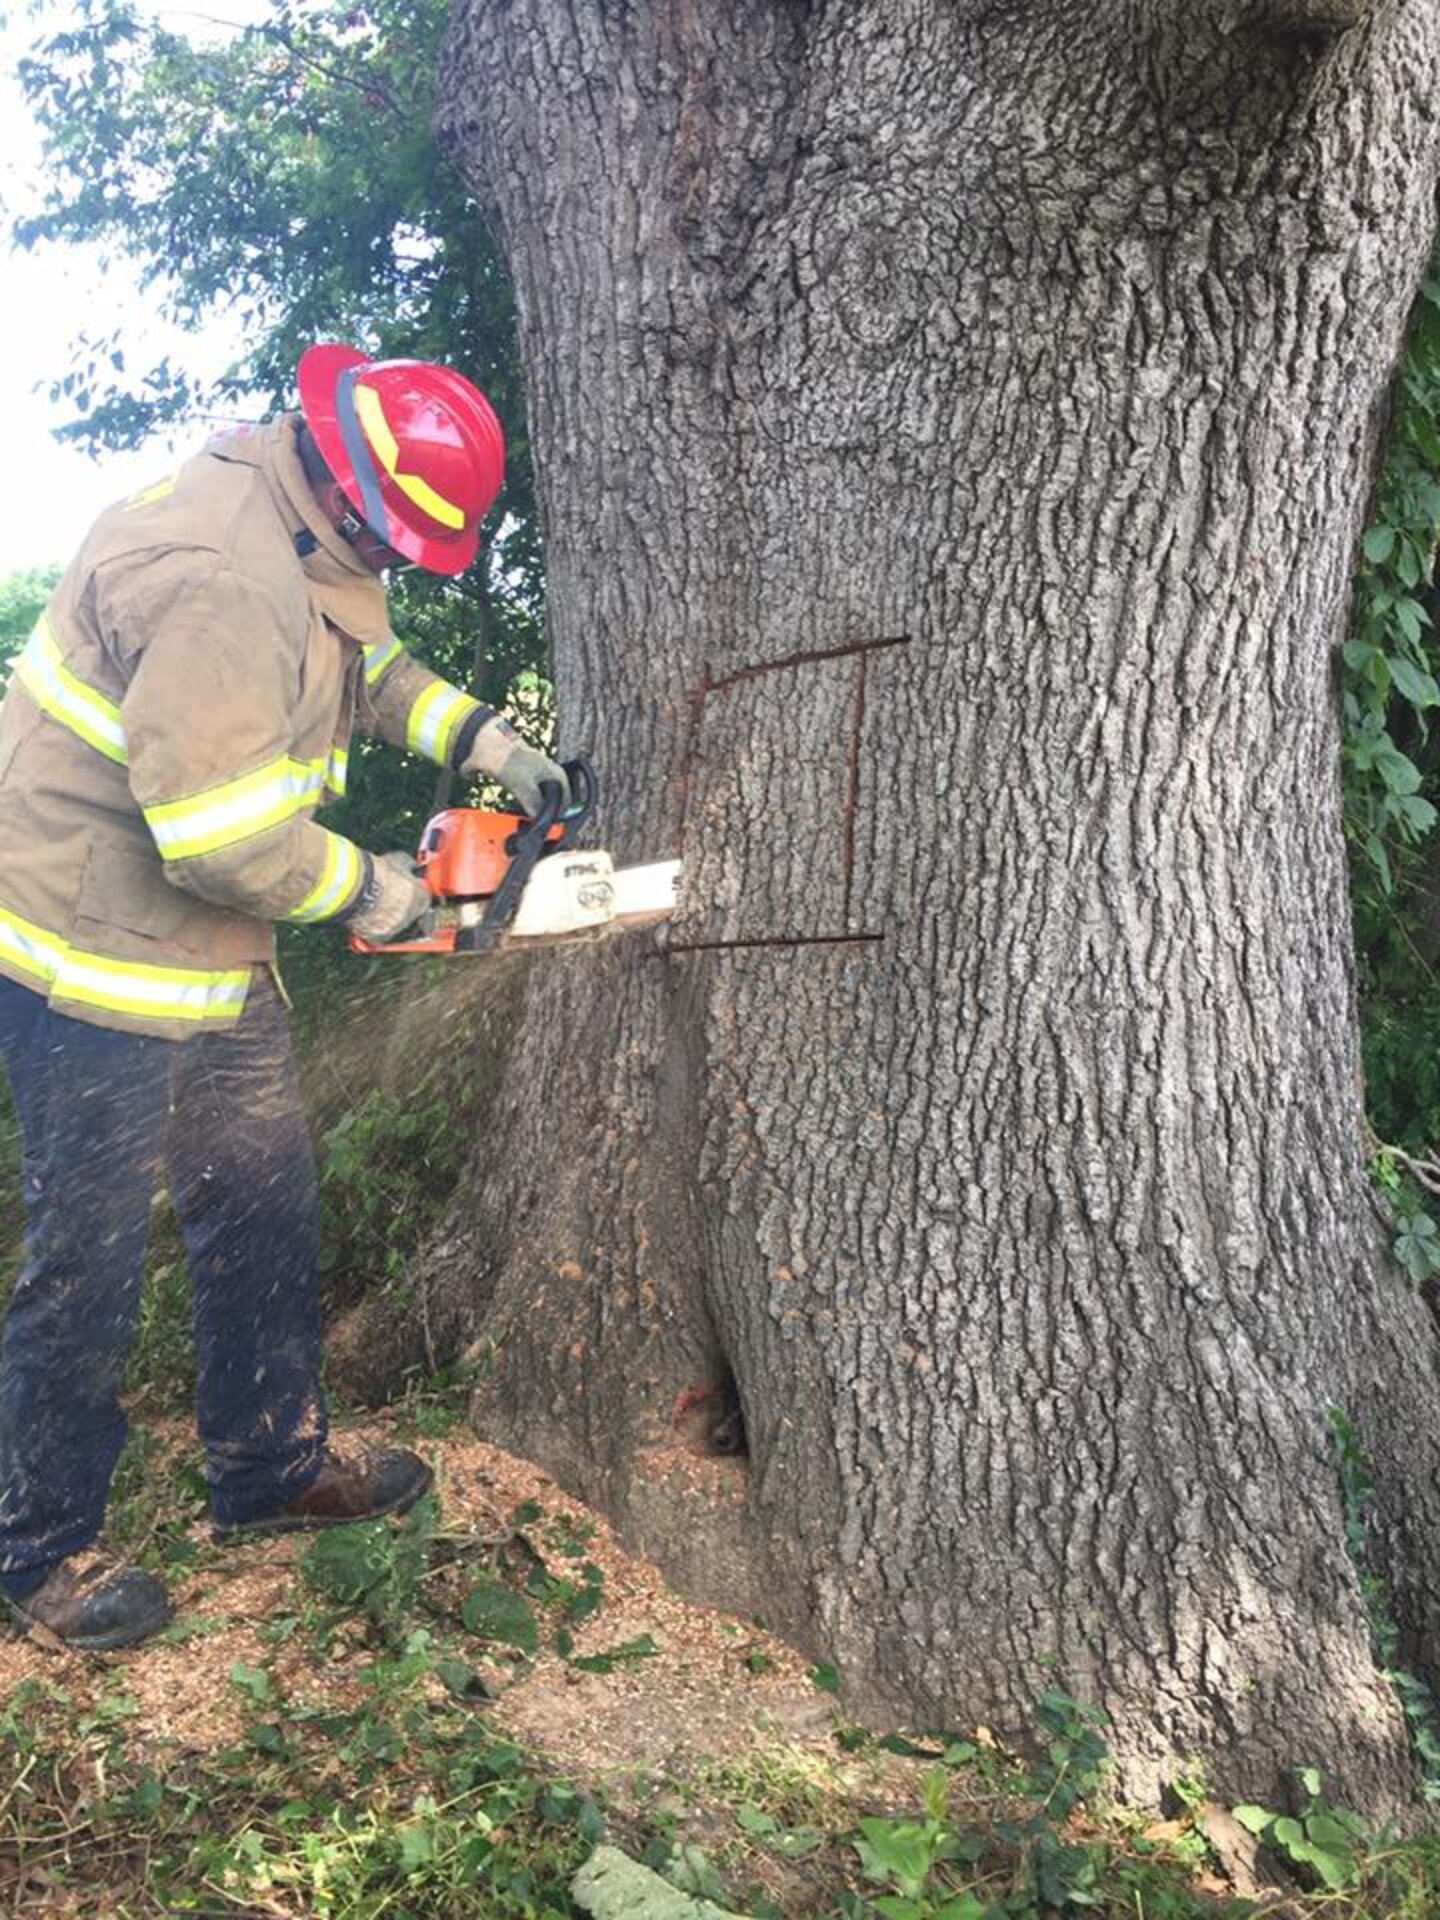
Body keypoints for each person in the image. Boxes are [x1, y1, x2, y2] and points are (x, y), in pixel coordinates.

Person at [0, 343, 566, 1649]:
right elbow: (213, 835)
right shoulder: (215, 574)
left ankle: (271, 1461)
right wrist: (380, 890)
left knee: (261, 1203)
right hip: (92, 950)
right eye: (400, 538)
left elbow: (359, 670)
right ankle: (37, 1552)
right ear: (353, 477)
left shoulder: (307, 524)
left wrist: (489, 741)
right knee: (84, 1263)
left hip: (209, 943)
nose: (398, 564)